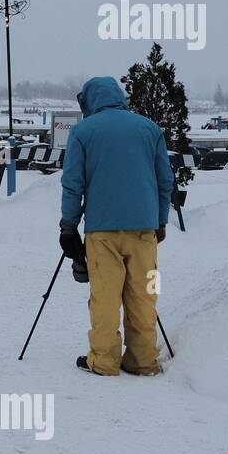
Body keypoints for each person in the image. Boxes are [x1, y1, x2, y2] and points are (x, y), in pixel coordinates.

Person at [59, 76, 174, 376]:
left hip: (102, 231)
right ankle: (142, 359)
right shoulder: (149, 128)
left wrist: (68, 226)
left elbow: (73, 184)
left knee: (105, 297)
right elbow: (165, 180)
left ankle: (104, 360)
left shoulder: (83, 131)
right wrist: (160, 220)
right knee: (144, 295)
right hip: (145, 231)